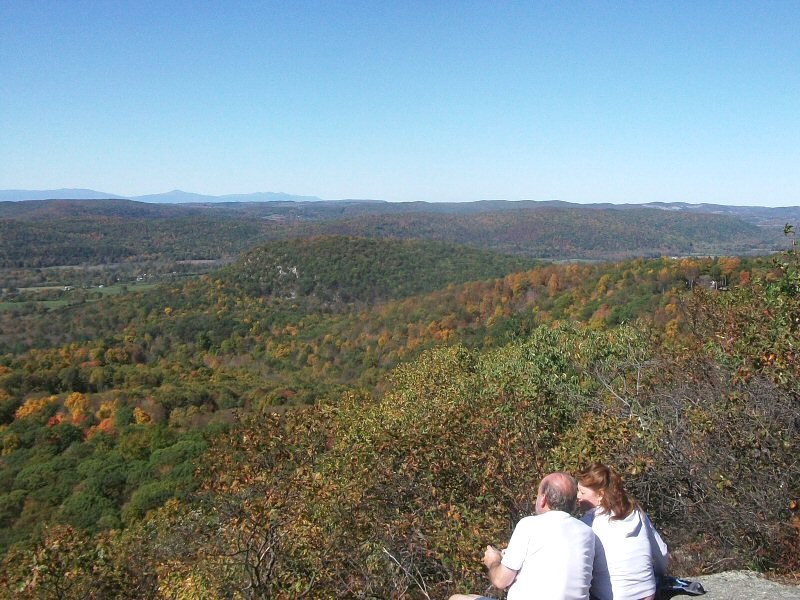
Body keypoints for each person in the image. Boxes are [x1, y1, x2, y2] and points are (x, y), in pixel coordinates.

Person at [450, 472, 595, 600]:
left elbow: (500, 581)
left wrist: (493, 561)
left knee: (456, 598)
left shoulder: (529, 525)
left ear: (543, 499)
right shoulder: (587, 533)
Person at [577, 463, 668, 600]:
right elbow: (662, 552)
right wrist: (660, 575)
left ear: (600, 494)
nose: (578, 496)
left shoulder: (588, 523)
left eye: (582, 492)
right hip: (647, 594)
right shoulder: (636, 512)